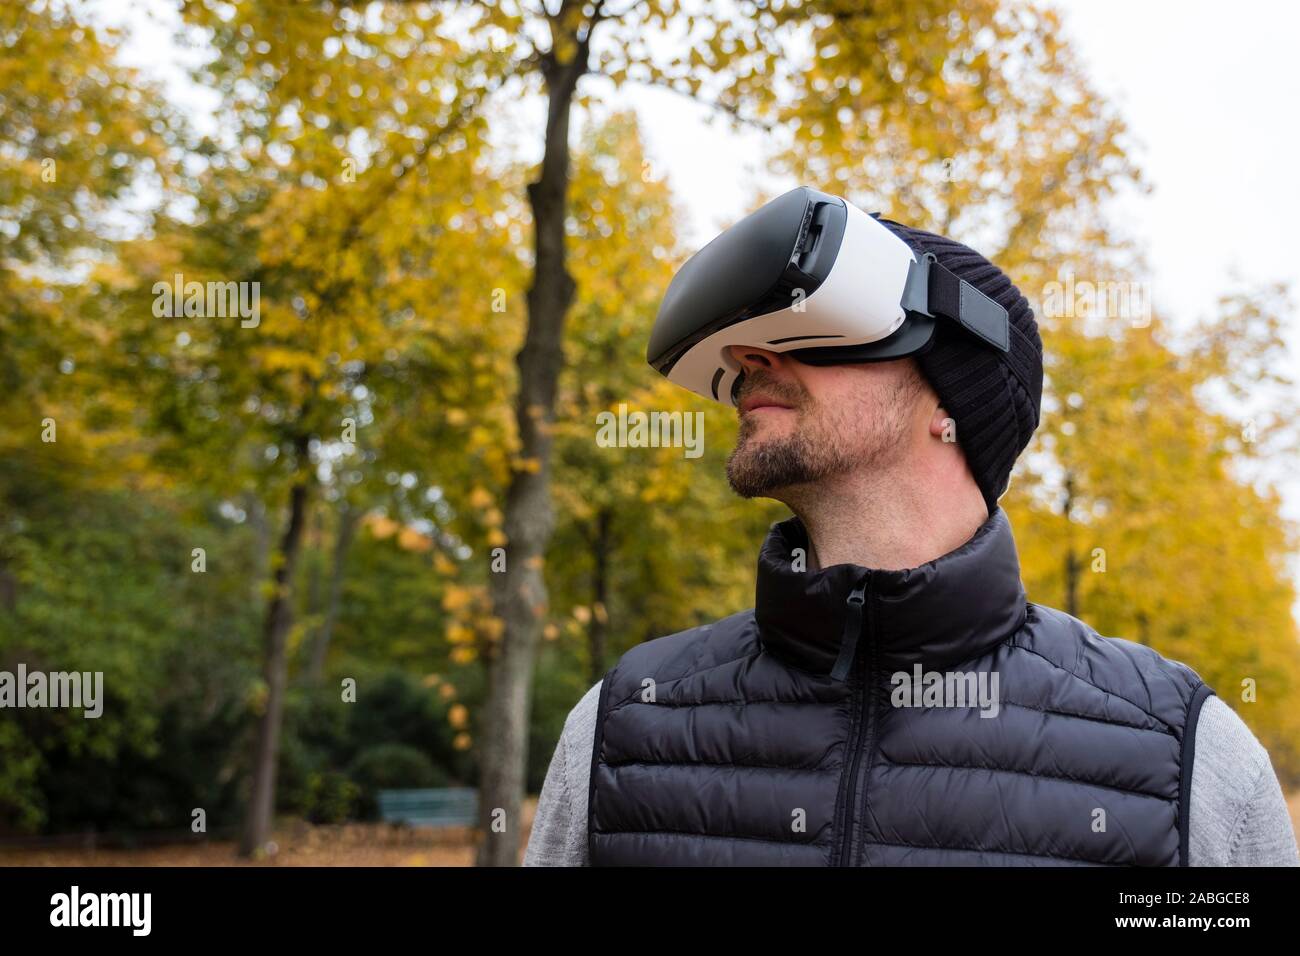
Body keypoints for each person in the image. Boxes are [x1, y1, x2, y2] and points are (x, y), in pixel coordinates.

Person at [523, 216, 1299, 867]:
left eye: (813, 330)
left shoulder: (1182, 755)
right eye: (746, 339)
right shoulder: (622, 725)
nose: (746, 357)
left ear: (949, 400)